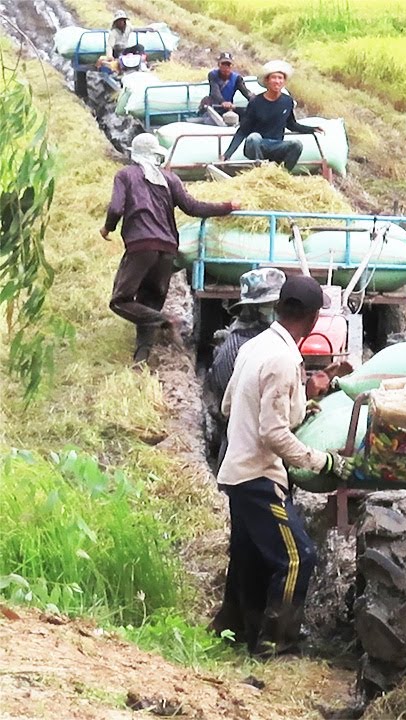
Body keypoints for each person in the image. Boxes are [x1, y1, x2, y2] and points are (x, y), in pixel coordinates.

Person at [211, 275, 349, 655]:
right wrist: (322, 461)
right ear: (313, 318)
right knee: (296, 557)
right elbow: (273, 434)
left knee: (249, 557)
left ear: (279, 307)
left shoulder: (254, 346)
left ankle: (235, 630)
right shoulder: (285, 359)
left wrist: (297, 407)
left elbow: (228, 406)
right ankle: (277, 642)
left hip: (234, 471)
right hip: (259, 476)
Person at [102, 133, 238, 365]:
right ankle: (141, 357)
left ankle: (166, 321)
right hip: (167, 249)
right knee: (150, 300)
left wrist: (107, 228)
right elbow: (193, 207)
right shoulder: (169, 179)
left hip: (141, 246)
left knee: (120, 301)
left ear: (134, 155)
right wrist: (227, 206)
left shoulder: (125, 175)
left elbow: (116, 207)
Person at [204, 268, 285, 469]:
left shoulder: (258, 339)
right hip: (245, 444)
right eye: (273, 306)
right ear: (256, 308)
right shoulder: (241, 346)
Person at [221, 60, 323, 172]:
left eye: (280, 78)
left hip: (276, 146)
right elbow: (243, 131)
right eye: (274, 78)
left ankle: (281, 175)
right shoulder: (256, 102)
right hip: (257, 145)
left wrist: (312, 129)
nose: (277, 81)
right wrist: (227, 154)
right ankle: (260, 172)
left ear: (284, 82)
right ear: (267, 81)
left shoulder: (287, 101)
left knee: (296, 145)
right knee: (254, 137)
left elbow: (292, 124)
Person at [199, 52, 255, 126]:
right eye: (223, 64)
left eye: (228, 65)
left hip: (229, 109)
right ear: (219, 65)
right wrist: (223, 102)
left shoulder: (237, 78)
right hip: (215, 107)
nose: (226, 67)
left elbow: (246, 92)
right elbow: (215, 91)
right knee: (208, 120)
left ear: (232, 66)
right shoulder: (213, 75)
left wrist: (255, 100)